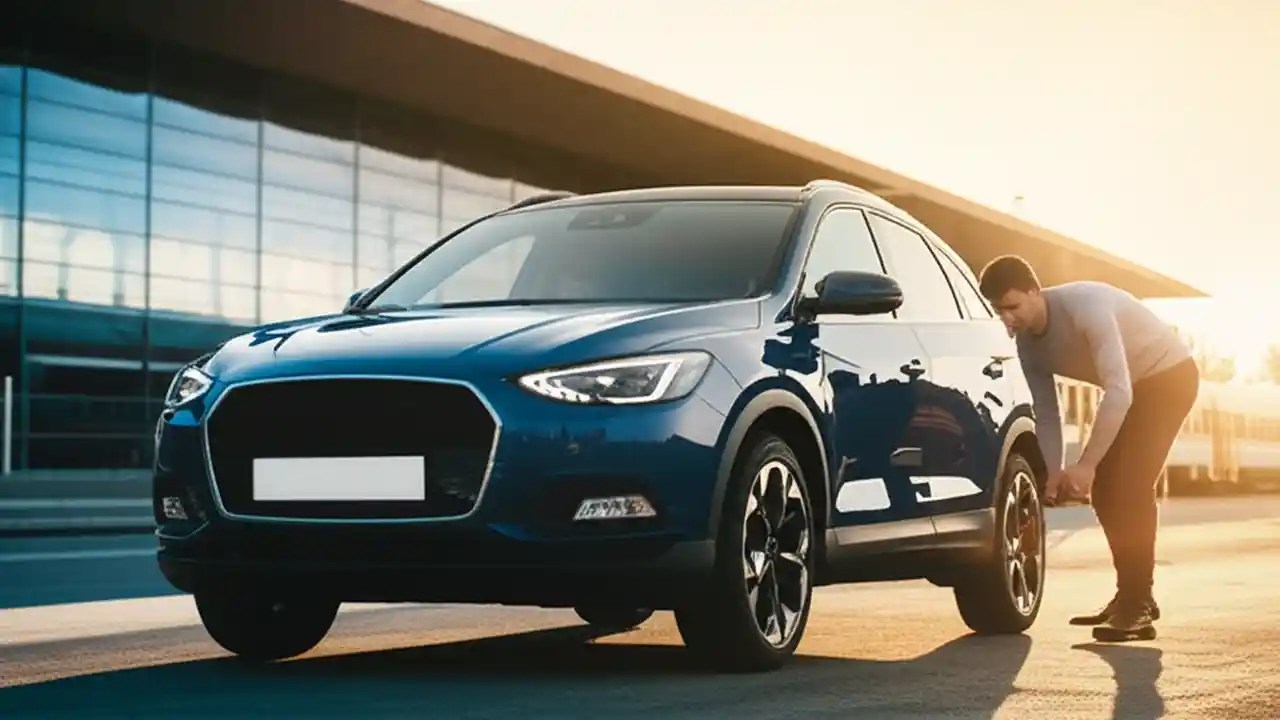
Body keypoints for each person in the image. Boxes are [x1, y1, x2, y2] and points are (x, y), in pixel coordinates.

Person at [977, 255, 1199, 643]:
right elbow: (1047, 412)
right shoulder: (1027, 344)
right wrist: (1051, 473)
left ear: (1035, 291)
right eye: (998, 311)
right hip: (1132, 389)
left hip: (1168, 377)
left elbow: (1118, 390)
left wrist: (1087, 464)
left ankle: (1137, 605)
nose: (1007, 319)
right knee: (1107, 492)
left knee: (1127, 487)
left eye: (1013, 307)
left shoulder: (1086, 307)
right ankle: (1132, 596)